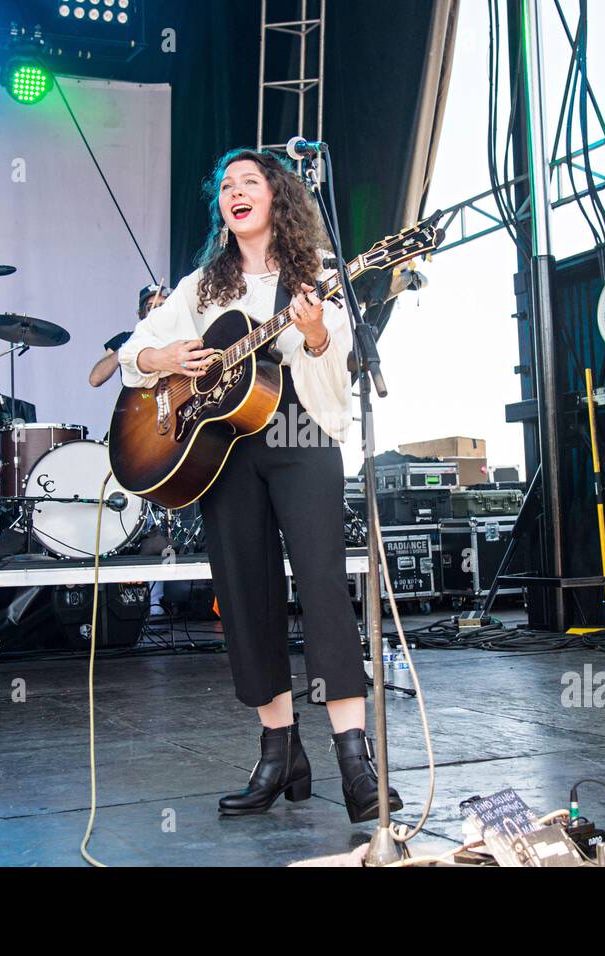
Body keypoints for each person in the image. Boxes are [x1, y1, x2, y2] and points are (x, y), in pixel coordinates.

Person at [115, 148, 401, 824]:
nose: (236, 193)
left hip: (300, 439)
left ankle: (353, 757)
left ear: (278, 197)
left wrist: (318, 339)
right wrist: (163, 356)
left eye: (251, 182)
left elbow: (334, 383)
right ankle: (278, 750)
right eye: (227, 186)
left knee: (324, 586)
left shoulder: (323, 281)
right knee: (244, 593)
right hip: (223, 451)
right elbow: (134, 354)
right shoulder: (202, 288)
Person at [88, 284, 169, 387]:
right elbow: (95, 379)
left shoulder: (177, 337)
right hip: (138, 402)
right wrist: (126, 348)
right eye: (151, 307)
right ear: (143, 313)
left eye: (162, 306)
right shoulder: (125, 338)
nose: (157, 311)